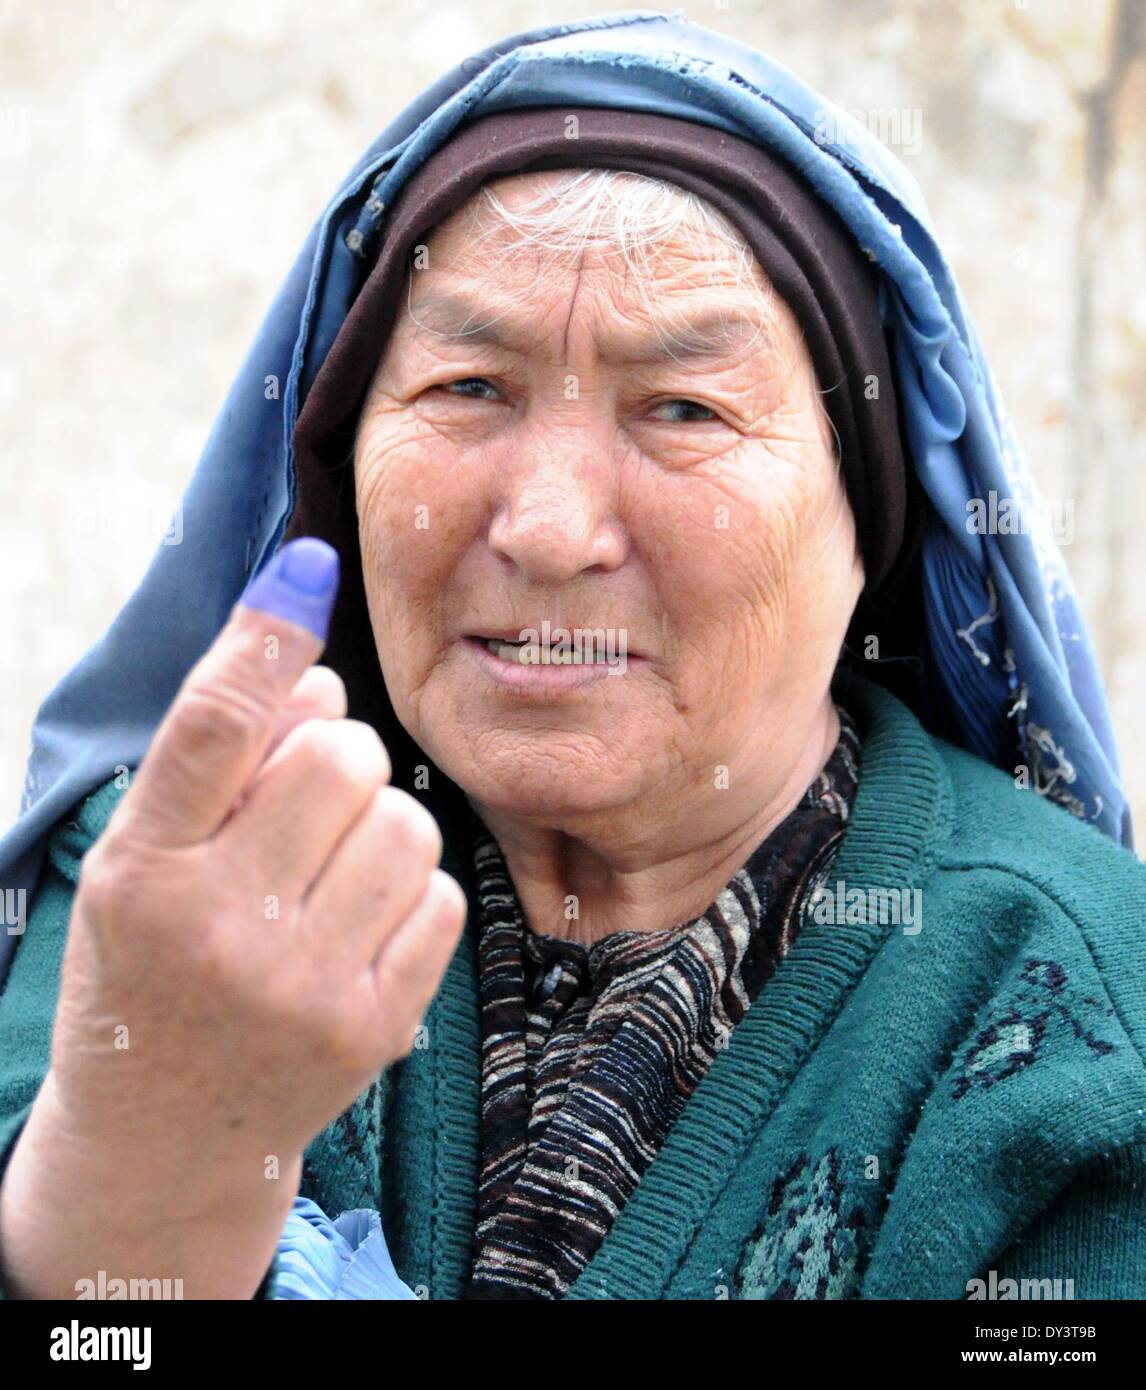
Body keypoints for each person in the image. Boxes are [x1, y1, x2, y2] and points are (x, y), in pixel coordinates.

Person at [1, 11, 1144, 1302]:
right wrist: (142, 1159)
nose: (545, 529)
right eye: (466, 388)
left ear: (863, 509)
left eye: (682, 408)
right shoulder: (168, 872)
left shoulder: (1086, 1019)